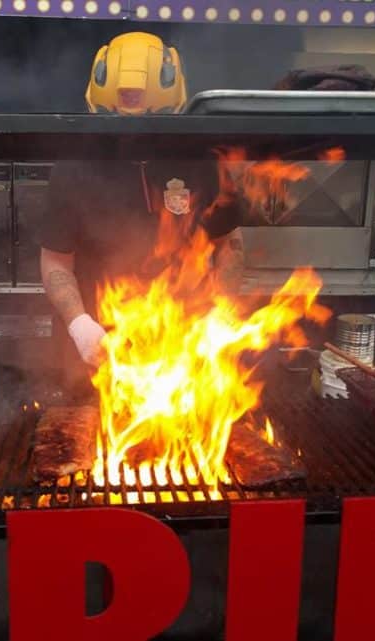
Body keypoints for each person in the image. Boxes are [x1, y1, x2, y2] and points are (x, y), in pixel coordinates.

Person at [39, 32, 245, 395]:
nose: (134, 137)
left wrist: (220, 313)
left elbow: (230, 245)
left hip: (181, 349)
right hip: (97, 353)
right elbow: (56, 262)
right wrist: (80, 326)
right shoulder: (73, 167)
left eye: (152, 123)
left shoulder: (204, 162)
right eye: (117, 122)